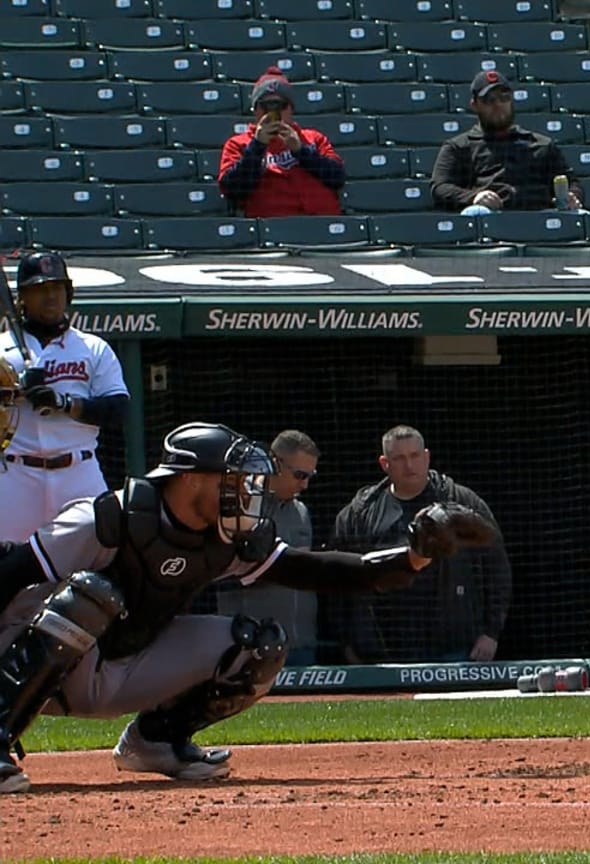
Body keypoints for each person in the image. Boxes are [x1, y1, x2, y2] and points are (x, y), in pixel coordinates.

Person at [0, 422, 494, 793]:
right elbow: (11, 575)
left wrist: (414, 555)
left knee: (260, 645)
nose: (247, 494)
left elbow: (320, 571)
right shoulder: (108, 518)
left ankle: (155, 742)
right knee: (93, 593)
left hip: (124, 665)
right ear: (191, 479)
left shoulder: (227, 537)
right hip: (40, 661)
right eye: (232, 480)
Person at [330, 425, 511, 663]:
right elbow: (339, 579)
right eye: (399, 458)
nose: (409, 465)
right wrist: (347, 642)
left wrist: (491, 633)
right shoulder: (359, 514)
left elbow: (496, 568)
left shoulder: (462, 503)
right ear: (385, 463)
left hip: (454, 645)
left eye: (415, 456)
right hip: (382, 651)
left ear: (427, 456)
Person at [0, 252, 129, 543]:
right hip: (15, 474)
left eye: (56, 288)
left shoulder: (93, 348)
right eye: (40, 289)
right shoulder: (2, 350)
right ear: (22, 298)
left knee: (101, 558)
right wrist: (14, 393)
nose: (50, 297)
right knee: (7, 570)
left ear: (68, 293)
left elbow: (117, 409)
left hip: (78, 474)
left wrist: (63, 404)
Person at [214, 430, 321, 665]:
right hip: (250, 645)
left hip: (301, 644)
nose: (305, 484)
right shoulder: (239, 504)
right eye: (300, 475)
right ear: (275, 463)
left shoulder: (301, 512)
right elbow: (221, 572)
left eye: (310, 476)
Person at [430, 68, 583, 215]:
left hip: (539, 215)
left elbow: (572, 182)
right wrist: (473, 197)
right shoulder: (459, 147)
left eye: (504, 98)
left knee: (579, 214)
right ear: (474, 105)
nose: (498, 105)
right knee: (475, 212)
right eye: (489, 100)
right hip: (489, 220)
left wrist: (571, 196)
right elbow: (440, 188)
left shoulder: (541, 145)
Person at [217, 66, 346, 218]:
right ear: (255, 109)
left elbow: (338, 177)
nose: (273, 113)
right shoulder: (239, 144)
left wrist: (301, 151)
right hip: (273, 229)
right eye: (266, 106)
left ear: (291, 108)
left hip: (323, 222)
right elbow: (233, 190)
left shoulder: (313, 138)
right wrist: (257, 146)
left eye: (280, 105)